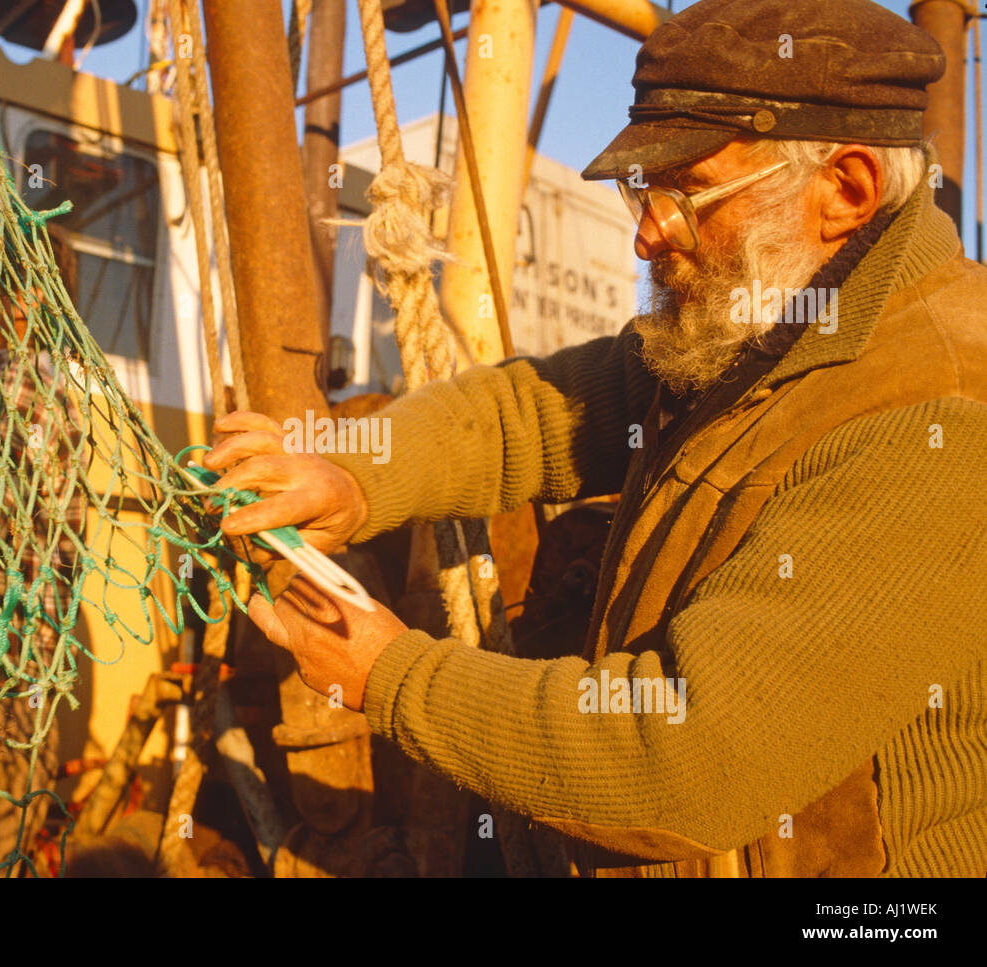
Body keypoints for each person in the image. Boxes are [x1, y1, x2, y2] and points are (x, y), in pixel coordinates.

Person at [202, 0, 987, 877]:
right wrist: (352, 476)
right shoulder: (773, 320)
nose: (649, 233)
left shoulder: (942, 411)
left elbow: (686, 761)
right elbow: (536, 412)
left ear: (845, 191)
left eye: (687, 194)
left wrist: (387, 672)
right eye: (640, 191)